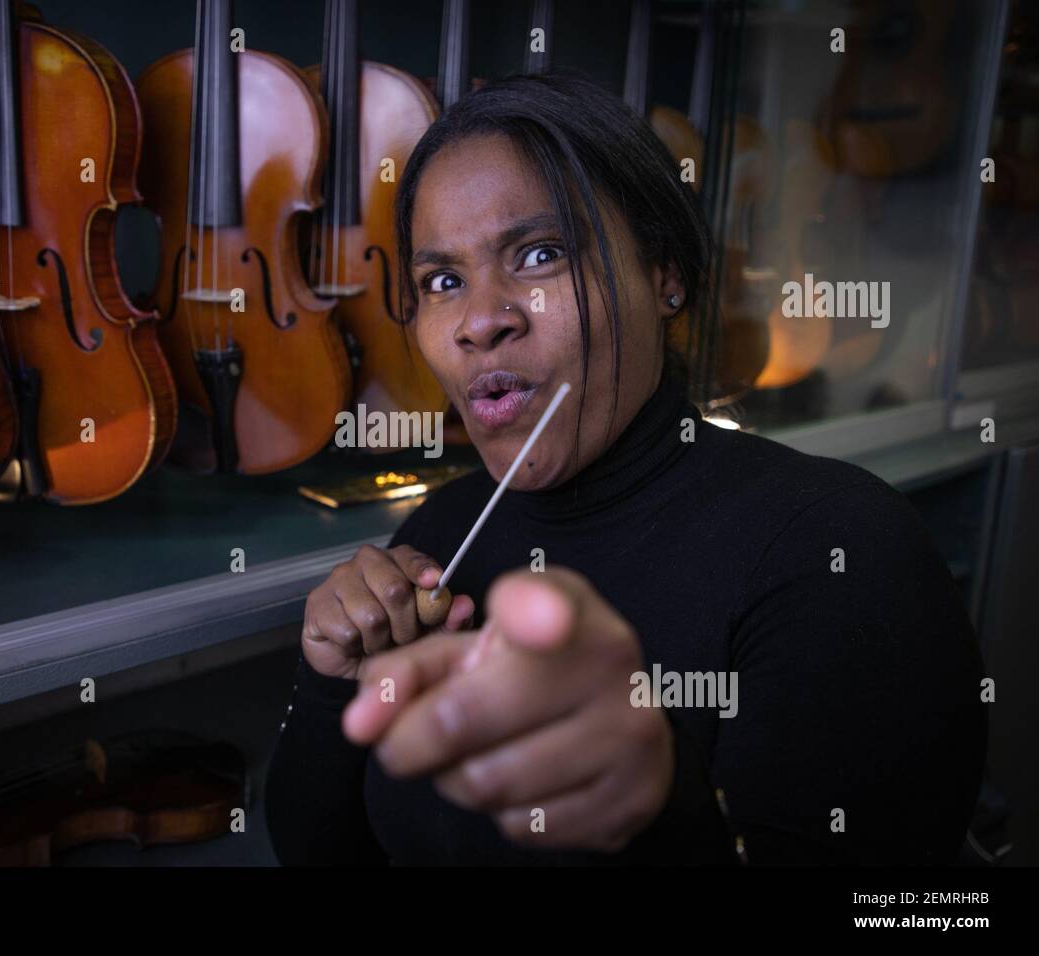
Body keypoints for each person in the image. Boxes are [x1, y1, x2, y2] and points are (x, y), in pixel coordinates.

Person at [264, 73, 987, 865]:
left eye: (538, 255)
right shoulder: (441, 537)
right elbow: (320, 853)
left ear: (664, 272)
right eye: (444, 280)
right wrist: (335, 681)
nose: (480, 321)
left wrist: (660, 808)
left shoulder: (840, 551)